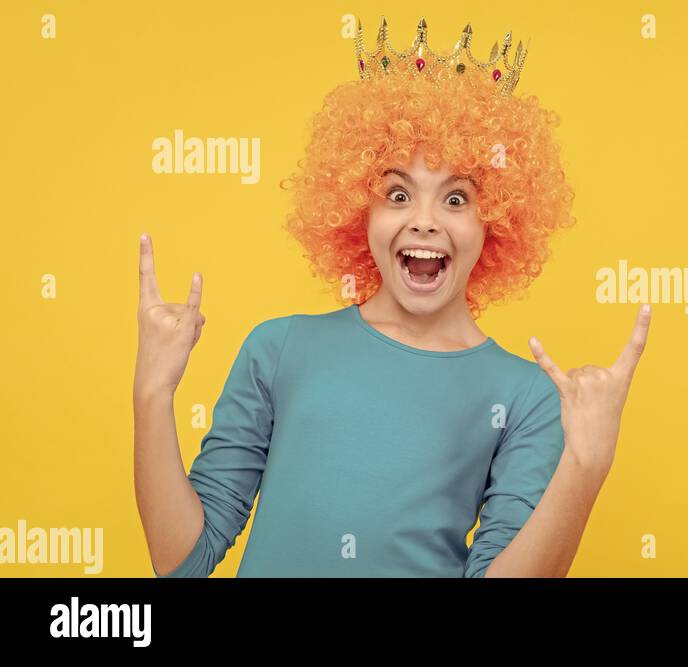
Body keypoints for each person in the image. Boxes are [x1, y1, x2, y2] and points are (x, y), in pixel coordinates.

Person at [132, 18, 651, 577]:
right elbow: (181, 561)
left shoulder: (526, 396)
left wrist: (585, 465)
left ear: (496, 220)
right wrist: (152, 391)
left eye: (457, 199)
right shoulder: (279, 348)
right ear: (360, 211)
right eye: (398, 193)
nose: (424, 221)